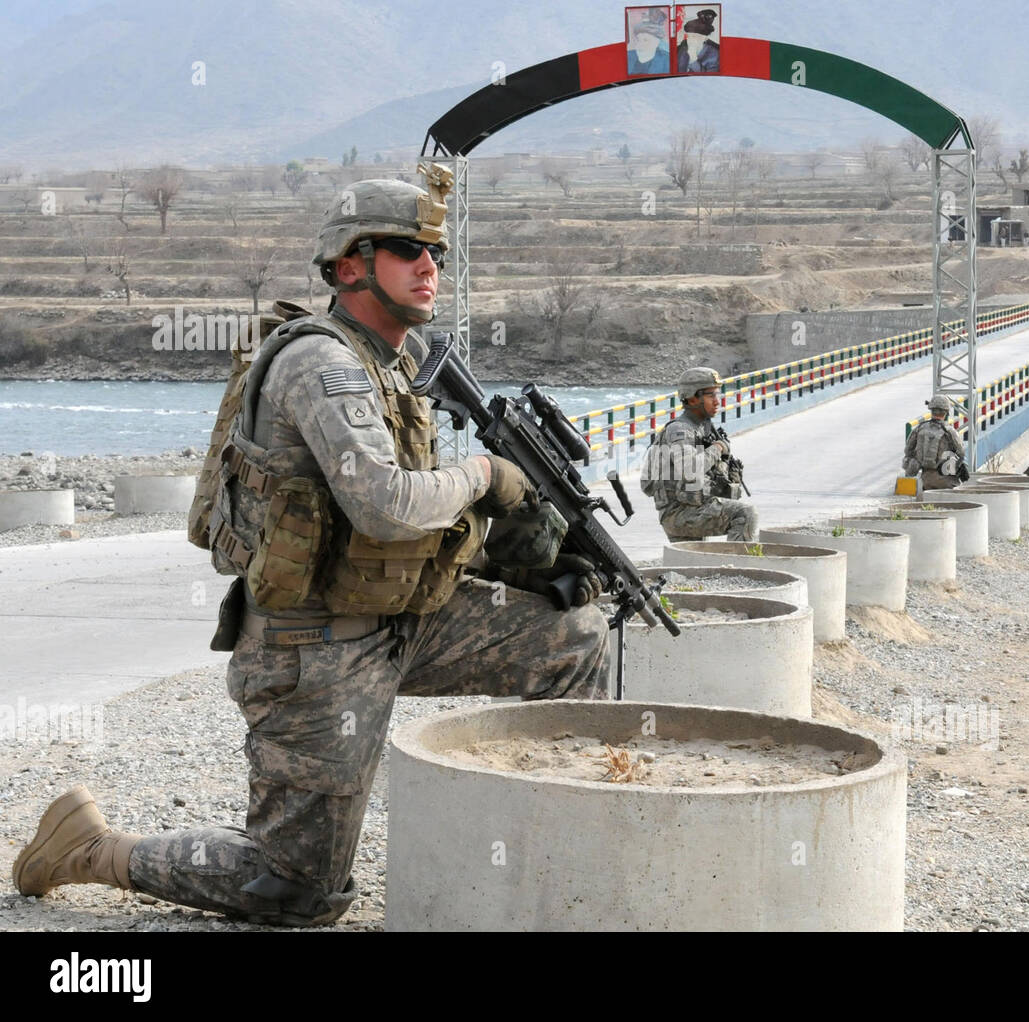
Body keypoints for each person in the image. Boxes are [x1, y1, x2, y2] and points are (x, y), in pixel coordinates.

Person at [12, 174, 610, 927]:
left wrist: (514, 554)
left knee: (574, 637)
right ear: (351, 264)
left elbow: (403, 530)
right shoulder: (320, 365)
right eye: (408, 250)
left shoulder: (394, 360)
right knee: (296, 892)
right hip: (314, 648)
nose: (431, 267)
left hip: (404, 620)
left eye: (438, 253)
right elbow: (386, 506)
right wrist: (489, 476)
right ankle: (91, 848)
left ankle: (561, 859)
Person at [642, 366, 757, 542]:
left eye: (717, 395)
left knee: (692, 566)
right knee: (745, 514)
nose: (717, 401)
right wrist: (717, 448)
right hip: (679, 513)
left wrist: (726, 472)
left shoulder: (702, 428)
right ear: (693, 398)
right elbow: (691, 470)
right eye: (711, 395)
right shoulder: (680, 430)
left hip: (693, 507)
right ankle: (738, 569)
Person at [902, 395, 967, 491]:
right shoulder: (950, 431)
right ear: (946, 412)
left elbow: (908, 450)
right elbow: (961, 453)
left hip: (926, 479)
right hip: (947, 480)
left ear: (931, 409)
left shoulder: (920, 428)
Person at [676, 8, 721, 72]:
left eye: (696, 36)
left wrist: (693, 60)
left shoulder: (716, 54)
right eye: (689, 36)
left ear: (705, 38)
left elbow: (710, 78)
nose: (692, 39)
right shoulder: (682, 48)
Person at [627, 9, 670, 75]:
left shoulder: (666, 60)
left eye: (646, 40)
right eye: (638, 40)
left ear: (657, 42)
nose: (639, 46)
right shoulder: (629, 56)